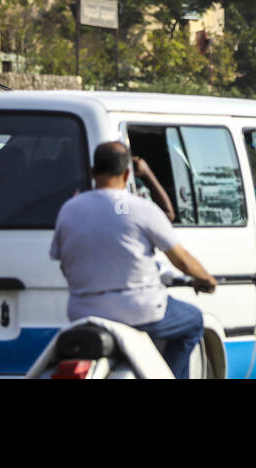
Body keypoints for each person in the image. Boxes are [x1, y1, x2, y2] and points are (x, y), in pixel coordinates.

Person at [50, 141, 217, 379]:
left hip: (83, 313)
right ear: (127, 173)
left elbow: (64, 264)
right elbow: (183, 261)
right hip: (141, 312)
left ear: (92, 172)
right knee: (194, 322)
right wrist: (206, 279)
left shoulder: (69, 209)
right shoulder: (141, 208)